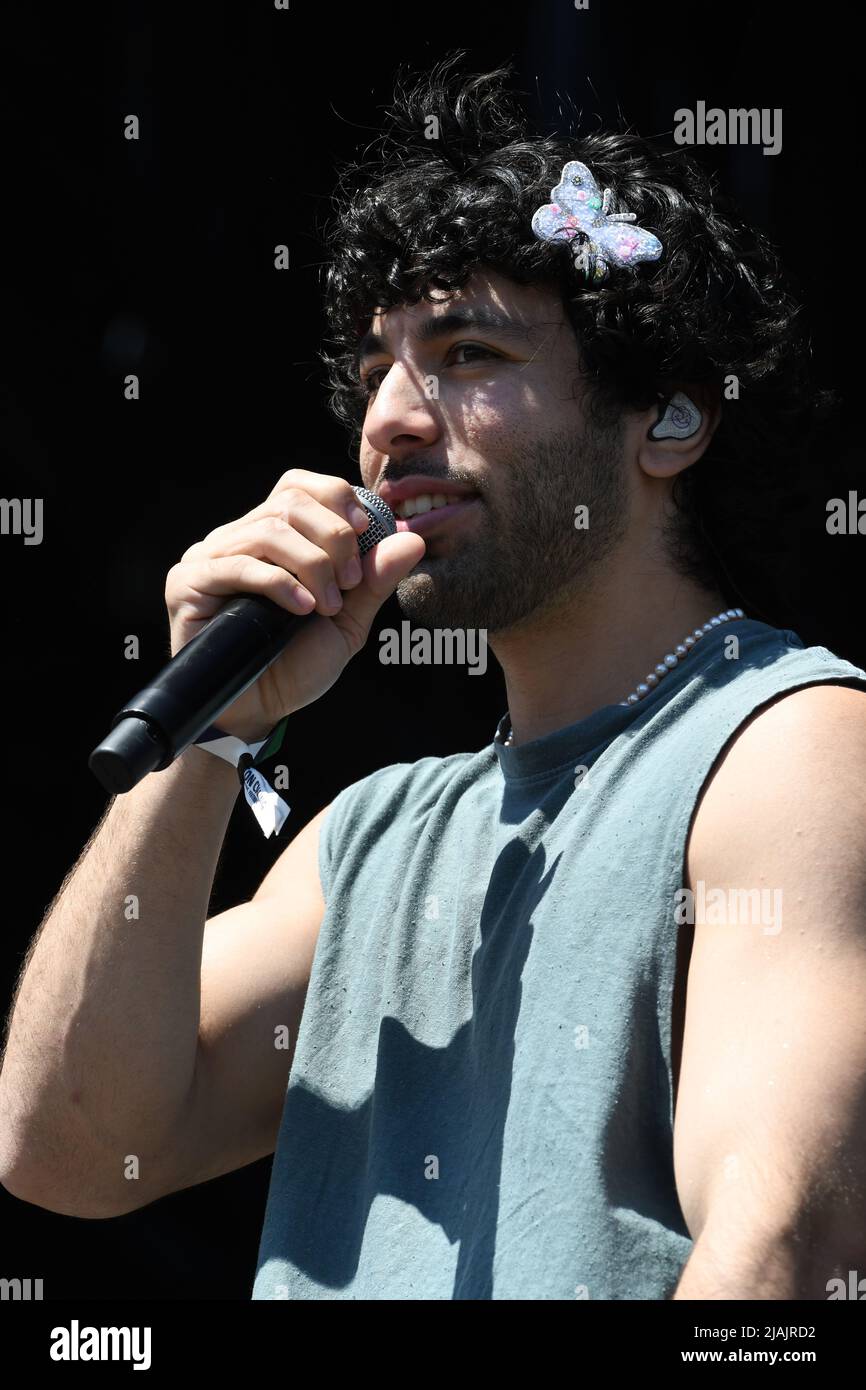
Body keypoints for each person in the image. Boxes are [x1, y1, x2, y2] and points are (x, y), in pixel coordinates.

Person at [2, 56, 866, 1301]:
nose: (391, 424)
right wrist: (205, 743)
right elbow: (68, 1151)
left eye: (466, 353)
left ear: (667, 420)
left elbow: (782, 1256)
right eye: (374, 375)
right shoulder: (370, 840)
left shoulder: (785, 745)